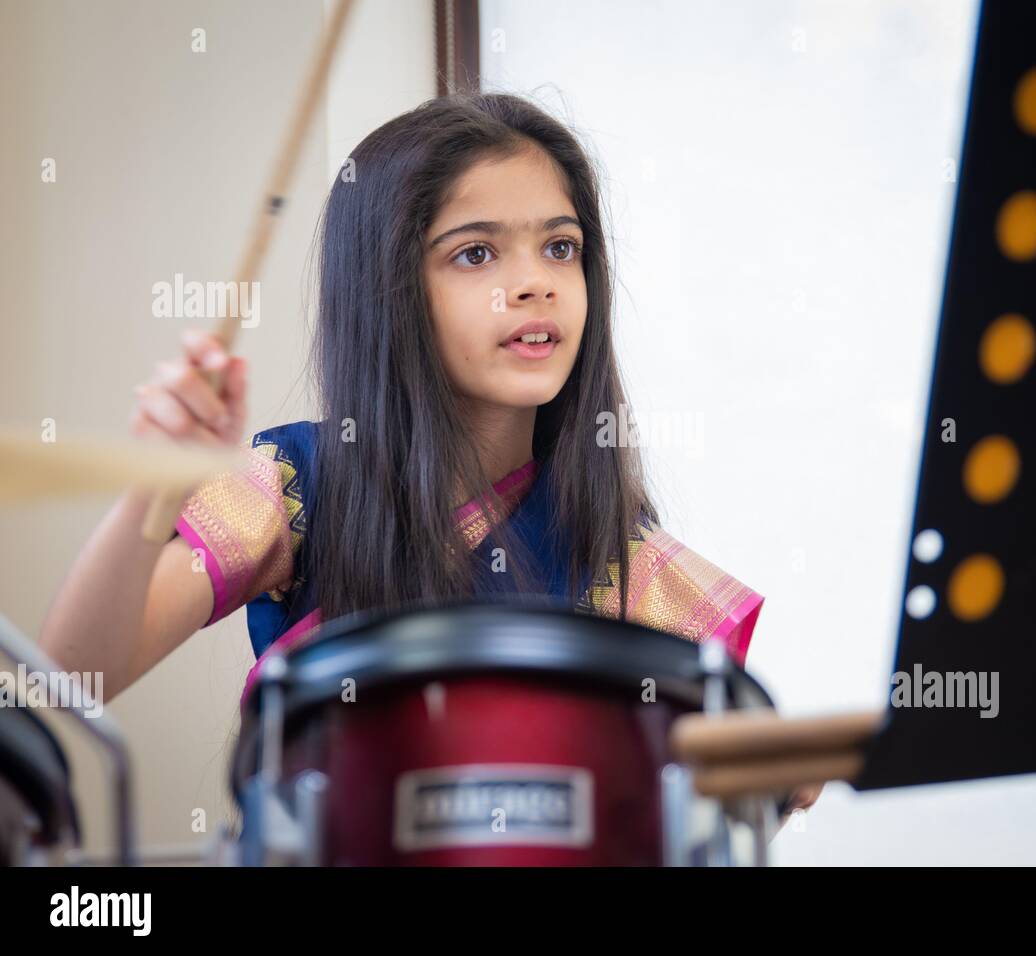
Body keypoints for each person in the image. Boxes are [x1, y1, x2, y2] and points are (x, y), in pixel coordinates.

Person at [38, 92, 820, 823]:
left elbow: (683, 821)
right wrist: (154, 489)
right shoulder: (299, 482)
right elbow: (74, 677)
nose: (534, 284)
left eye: (560, 247)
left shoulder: (631, 566)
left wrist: (777, 778)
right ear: (390, 289)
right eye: (476, 254)